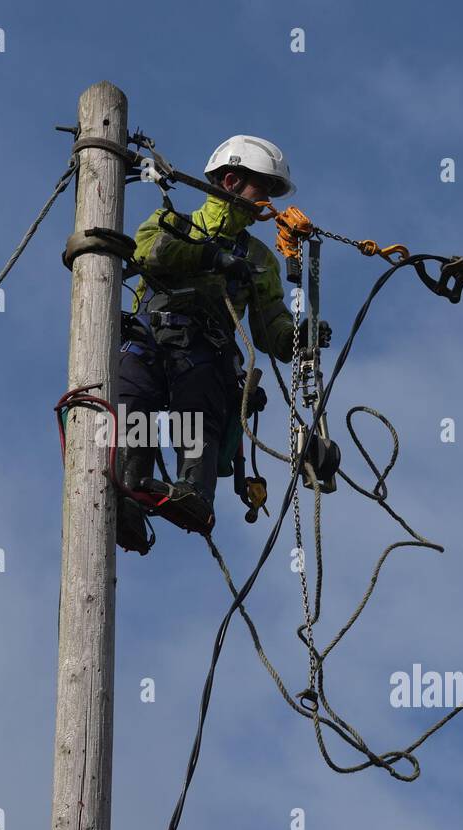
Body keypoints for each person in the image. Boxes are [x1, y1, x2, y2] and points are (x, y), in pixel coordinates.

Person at [116, 134, 331, 554]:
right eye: (261, 187)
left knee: (197, 406)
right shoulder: (173, 222)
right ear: (231, 181)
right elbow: (150, 251)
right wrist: (211, 258)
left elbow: (270, 327)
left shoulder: (259, 259)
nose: (266, 199)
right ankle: (126, 496)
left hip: (203, 351)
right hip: (147, 341)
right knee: (129, 409)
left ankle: (193, 494)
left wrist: (299, 337)